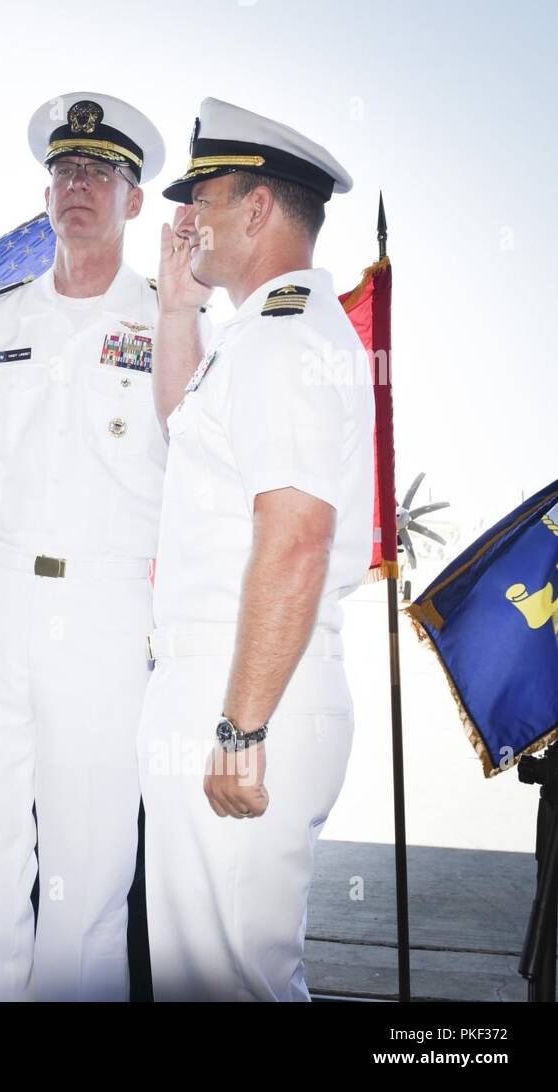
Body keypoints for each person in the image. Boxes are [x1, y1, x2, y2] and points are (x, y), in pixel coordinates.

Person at [0, 92, 192, 1001]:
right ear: (46, 195)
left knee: (90, 857)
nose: (80, 185)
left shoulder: (173, 326)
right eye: (66, 171)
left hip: (105, 610)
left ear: (134, 201)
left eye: (102, 173)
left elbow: (202, 479)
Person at [139, 97, 375, 1001]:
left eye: (203, 196)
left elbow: (297, 538)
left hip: (247, 690)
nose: (185, 217)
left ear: (259, 209)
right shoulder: (260, 340)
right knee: (212, 976)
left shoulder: (284, 343)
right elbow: (179, 426)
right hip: (230, 680)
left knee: (232, 980)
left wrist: (241, 727)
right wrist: (177, 308)